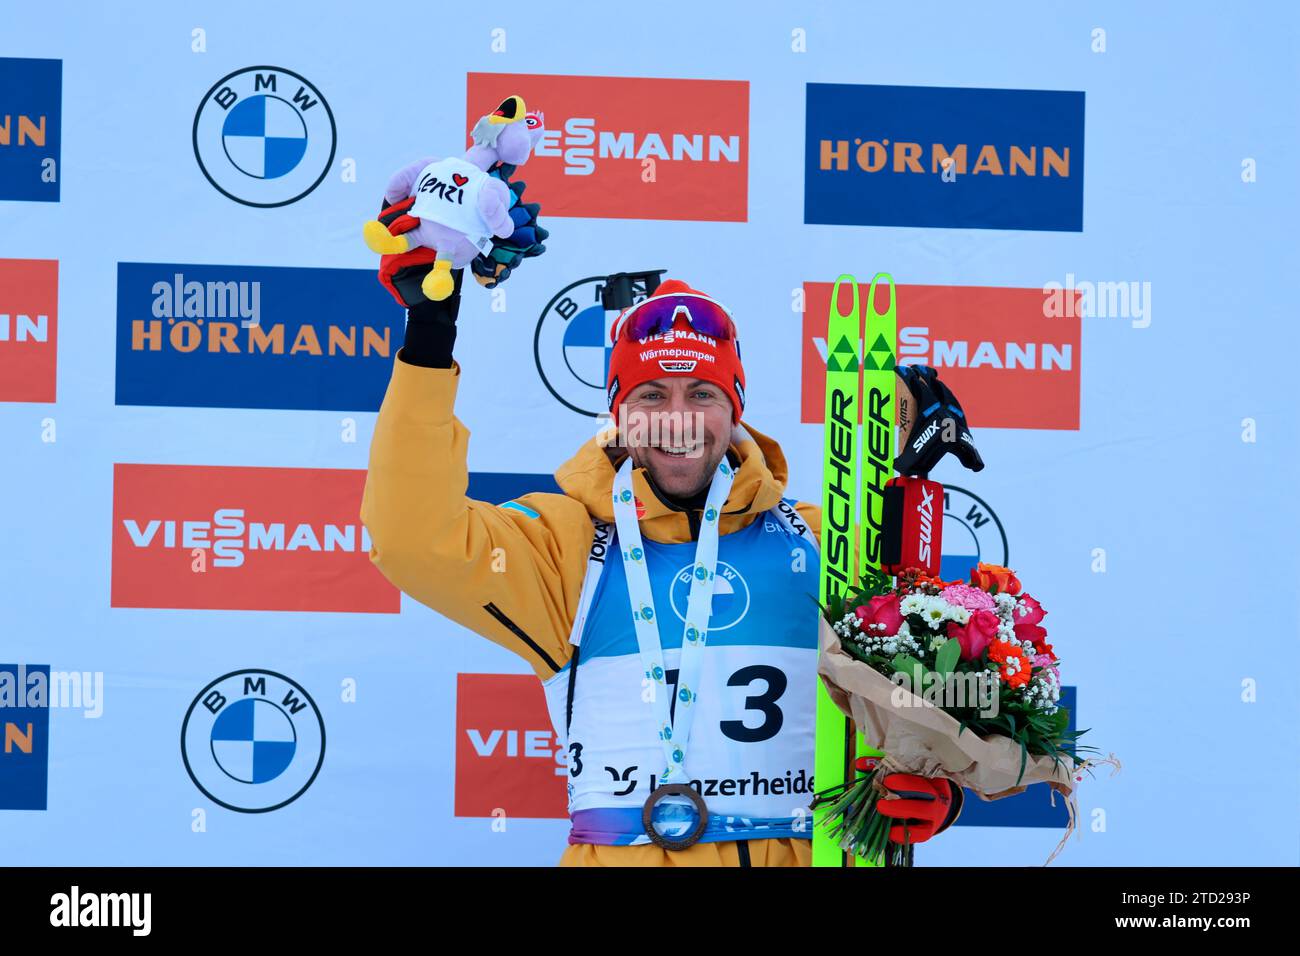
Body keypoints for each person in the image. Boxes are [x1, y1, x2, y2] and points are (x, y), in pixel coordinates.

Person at [361, 268, 970, 866]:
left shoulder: (820, 544)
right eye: (651, 395)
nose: (677, 418)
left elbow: (906, 694)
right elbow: (413, 537)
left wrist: (933, 788)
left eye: (702, 394)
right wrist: (428, 340)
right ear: (618, 415)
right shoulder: (565, 547)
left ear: (735, 412)